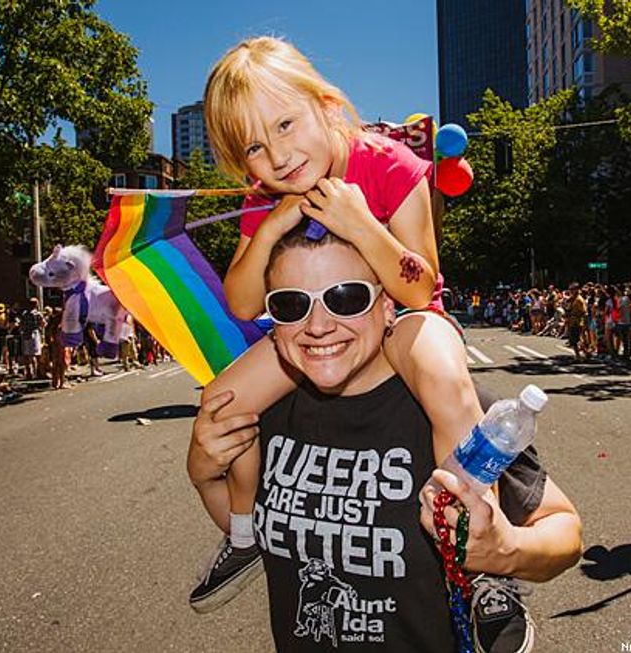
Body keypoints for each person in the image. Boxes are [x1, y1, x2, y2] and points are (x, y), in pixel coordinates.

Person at [187, 224, 581, 652]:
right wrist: (204, 476)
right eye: (291, 305)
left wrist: (506, 551)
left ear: (387, 306)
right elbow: (270, 534)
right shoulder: (265, 414)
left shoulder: (445, 410)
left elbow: (565, 533)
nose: (318, 326)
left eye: (346, 298)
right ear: (273, 322)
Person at [189, 35, 484, 608]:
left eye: (285, 125)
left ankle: (479, 553)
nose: (276, 157)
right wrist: (271, 227)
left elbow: (421, 287)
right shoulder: (266, 197)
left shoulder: (391, 164)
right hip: (317, 327)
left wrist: (358, 222)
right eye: (253, 146)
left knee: (448, 382)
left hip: (402, 319)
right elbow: (245, 304)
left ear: (324, 106)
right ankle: (246, 534)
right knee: (223, 401)